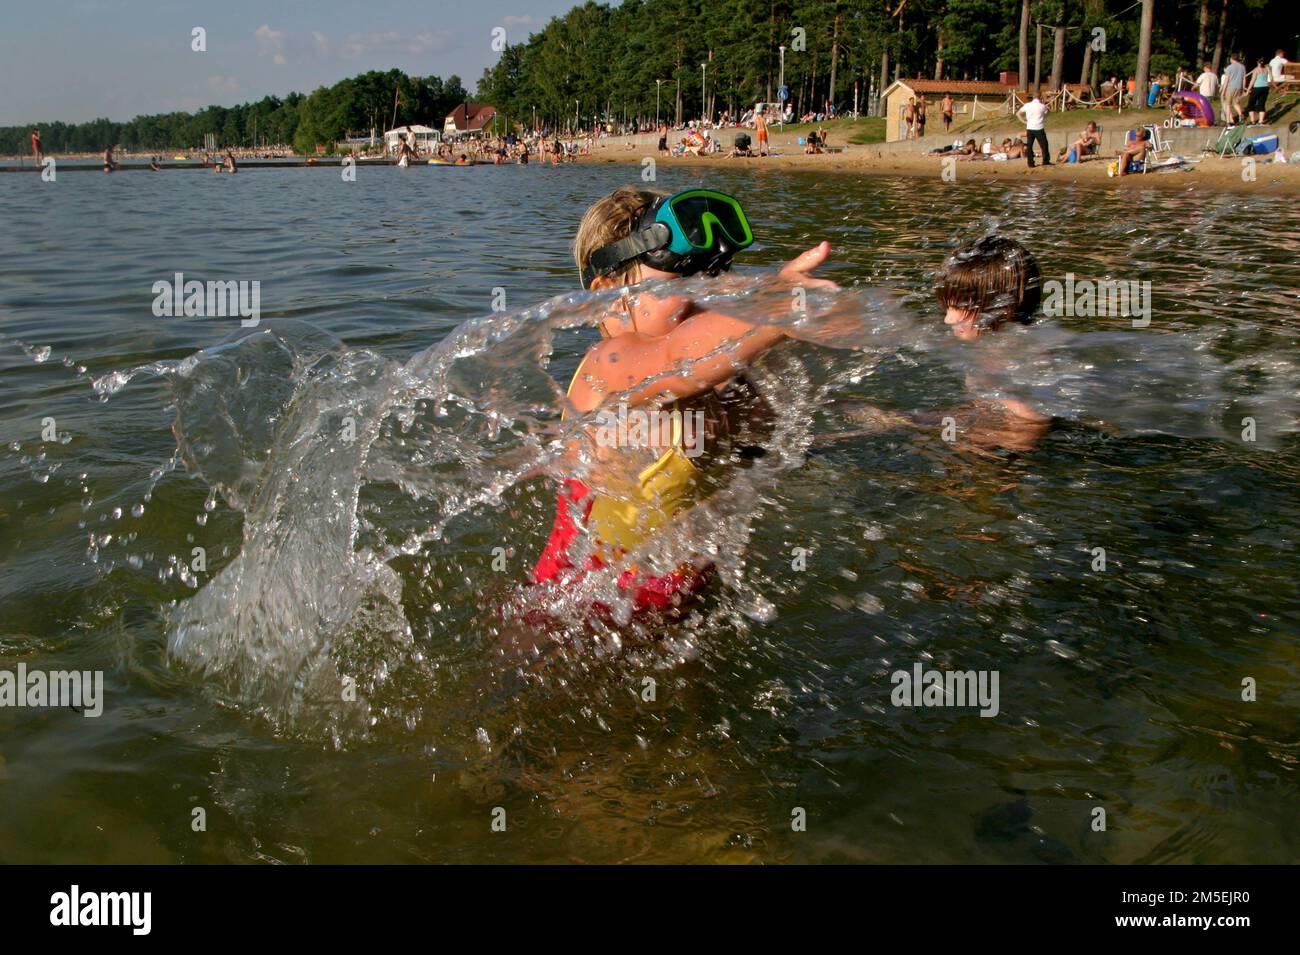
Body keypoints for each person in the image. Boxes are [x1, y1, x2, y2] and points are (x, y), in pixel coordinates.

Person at [529, 187, 834, 613]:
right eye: (682, 280)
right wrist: (780, 305)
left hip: (685, 604)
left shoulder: (715, 385)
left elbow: (765, 438)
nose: (706, 296)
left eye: (713, 278)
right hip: (577, 617)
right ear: (609, 297)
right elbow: (678, 358)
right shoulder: (609, 367)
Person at [1016, 93, 1051, 167]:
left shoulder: (1027, 105)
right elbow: (1048, 112)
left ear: (1033, 97)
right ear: (1040, 97)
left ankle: (1030, 163)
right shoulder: (1042, 106)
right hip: (1039, 128)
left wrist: (1024, 121)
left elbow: (1018, 113)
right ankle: (1045, 161)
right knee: (1044, 145)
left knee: (1030, 145)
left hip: (1030, 128)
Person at [1244, 58, 1273, 125]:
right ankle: (1260, 121)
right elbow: (1271, 78)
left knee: (1251, 104)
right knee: (1262, 104)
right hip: (1265, 88)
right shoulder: (1267, 69)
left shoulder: (1256, 70)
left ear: (1257, 62)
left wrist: (1248, 90)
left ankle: (1252, 121)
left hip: (1257, 88)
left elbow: (1253, 80)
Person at [1221, 53, 1246, 126]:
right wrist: (1243, 88)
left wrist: (1223, 91)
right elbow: (1244, 78)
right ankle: (1240, 115)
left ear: (1231, 59)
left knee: (1228, 104)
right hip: (1239, 87)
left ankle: (1228, 121)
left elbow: (1226, 80)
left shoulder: (1229, 68)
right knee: (1235, 103)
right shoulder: (1242, 67)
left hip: (1230, 87)